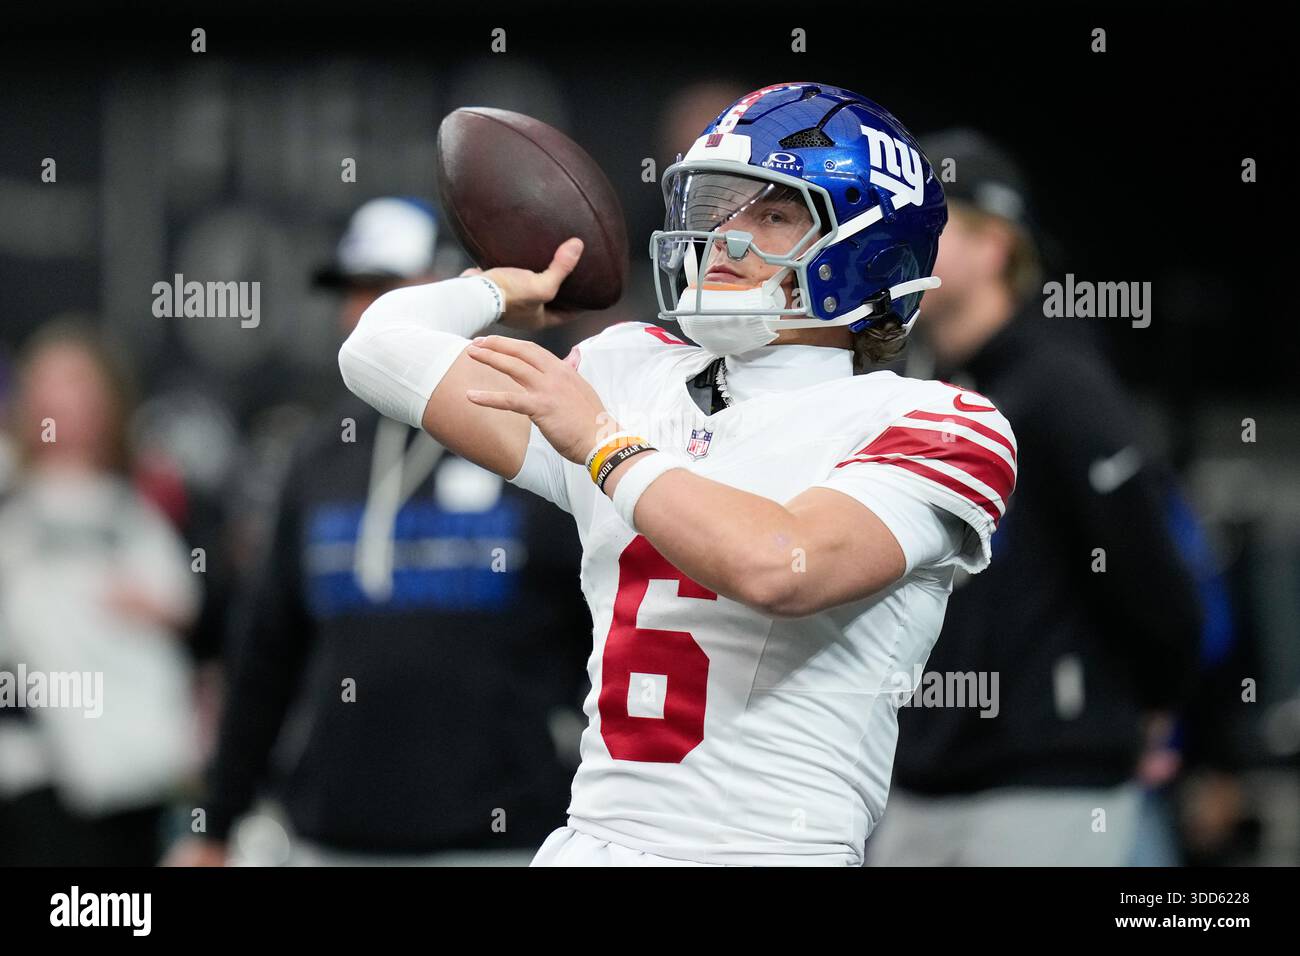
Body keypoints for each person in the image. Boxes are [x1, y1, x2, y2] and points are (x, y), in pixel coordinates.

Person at [339, 84, 1017, 866]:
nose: (726, 238)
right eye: (720, 209)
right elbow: (378, 351)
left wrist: (602, 442)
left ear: (867, 249)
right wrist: (494, 290)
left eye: (773, 215)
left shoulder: (938, 424)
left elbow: (778, 567)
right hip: (590, 843)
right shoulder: (631, 373)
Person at [167, 198, 588, 866]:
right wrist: (215, 824)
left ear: (455, 291)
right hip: (332, 834)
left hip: (506, 836)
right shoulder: (321, 454)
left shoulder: (532, 436)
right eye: (354, 292)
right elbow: (266, 651)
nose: (362, 314)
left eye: (387, 290)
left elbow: (607, 625)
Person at [864, 130, 1202, 866]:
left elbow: (1154, 574)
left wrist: (1153, 706)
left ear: (994, 247)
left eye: (933, 223)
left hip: (1047, 776)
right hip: (924, 773)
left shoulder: (1060, 383)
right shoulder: (923, 394)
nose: (903, 242)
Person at [0, 321, 200, 866]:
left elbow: (184, 609)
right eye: (51, 387)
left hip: (131, 777)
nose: (65, 406)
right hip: (35, 780)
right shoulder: (12, 507)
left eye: (81, 387)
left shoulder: (139, 514)